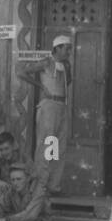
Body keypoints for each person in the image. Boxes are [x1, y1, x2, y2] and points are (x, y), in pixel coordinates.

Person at [16, 35, 73, 191]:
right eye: (66, 48)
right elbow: (21, 72)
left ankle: (53, 184)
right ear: (57, 48)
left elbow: (66, 83)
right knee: (47, 145)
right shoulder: (47, 62)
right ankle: (41, 184)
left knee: (58, 147)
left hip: (62, 106)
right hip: (48, 106)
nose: (69, 52)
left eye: (70, 49)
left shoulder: (66, 65)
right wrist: (40, 86)